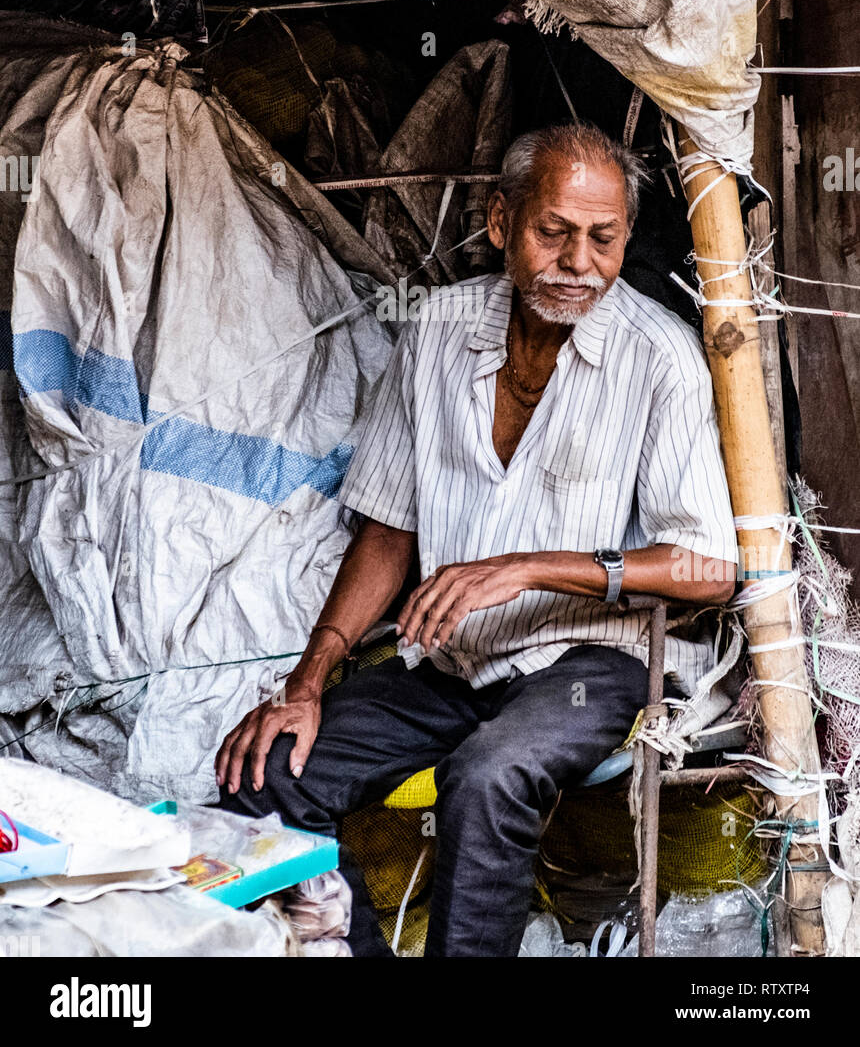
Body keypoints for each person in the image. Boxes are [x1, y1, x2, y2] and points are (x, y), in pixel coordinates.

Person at [216, 122, 738, 957]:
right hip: (454, 662)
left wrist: (528, 567)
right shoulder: (437, 330)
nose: (579, 262)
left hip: (591, 663)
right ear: (500, 223)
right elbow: (389, 529)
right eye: (553, 232)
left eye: (603, 239)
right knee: (267, 774)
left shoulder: (661, 360)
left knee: (488, 776)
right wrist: (307, 681)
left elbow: (709, 570)